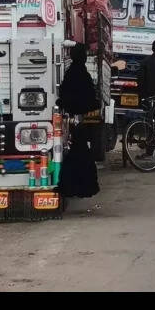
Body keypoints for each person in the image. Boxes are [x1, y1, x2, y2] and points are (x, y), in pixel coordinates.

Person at [57, 44, 101, 197]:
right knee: (82, 154)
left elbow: (63, 96)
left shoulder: (70, 73)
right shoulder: (84, 74)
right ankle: (83, 187)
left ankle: (70, 187)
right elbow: (90, 98)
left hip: (70, 120)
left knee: (75, 153)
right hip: (81, 121)